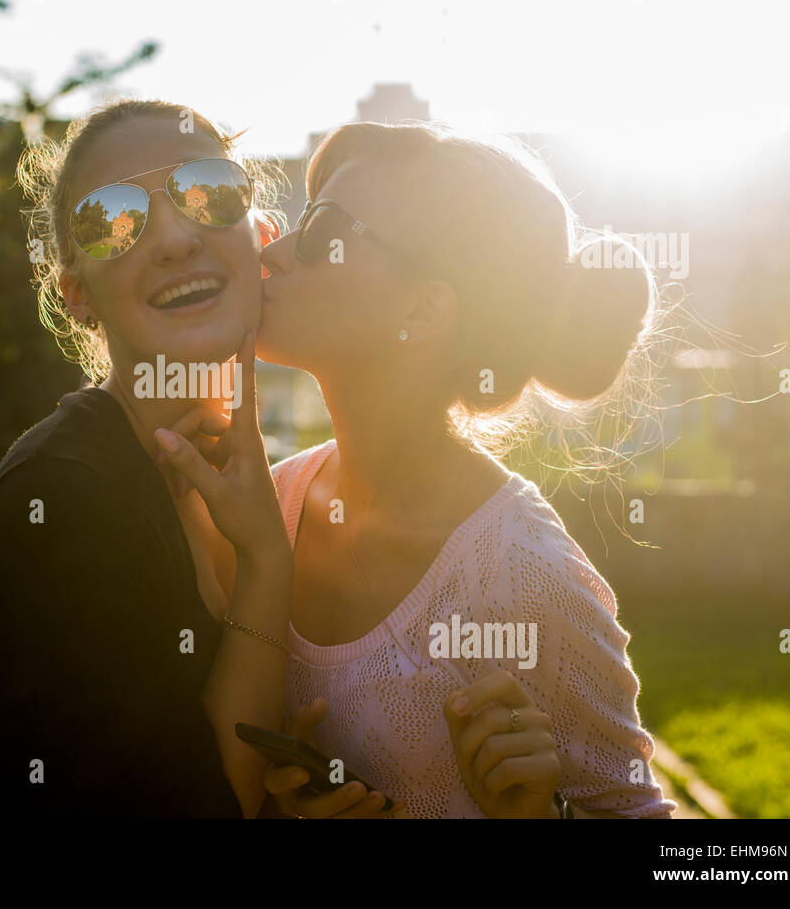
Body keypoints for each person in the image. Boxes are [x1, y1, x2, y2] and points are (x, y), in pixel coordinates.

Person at [162, 121, 678, 817]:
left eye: (320, 233)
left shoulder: (527, 573)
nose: (273, 253)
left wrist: (540, 816)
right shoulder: (272, 505)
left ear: (423, 308)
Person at [0, 99, 367, 818]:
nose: (173, 238)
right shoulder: (62, 501)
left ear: (256, 234)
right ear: (77, 294)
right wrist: (265, 556)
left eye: (208, 192)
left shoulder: (210, 472)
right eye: (113, 221)